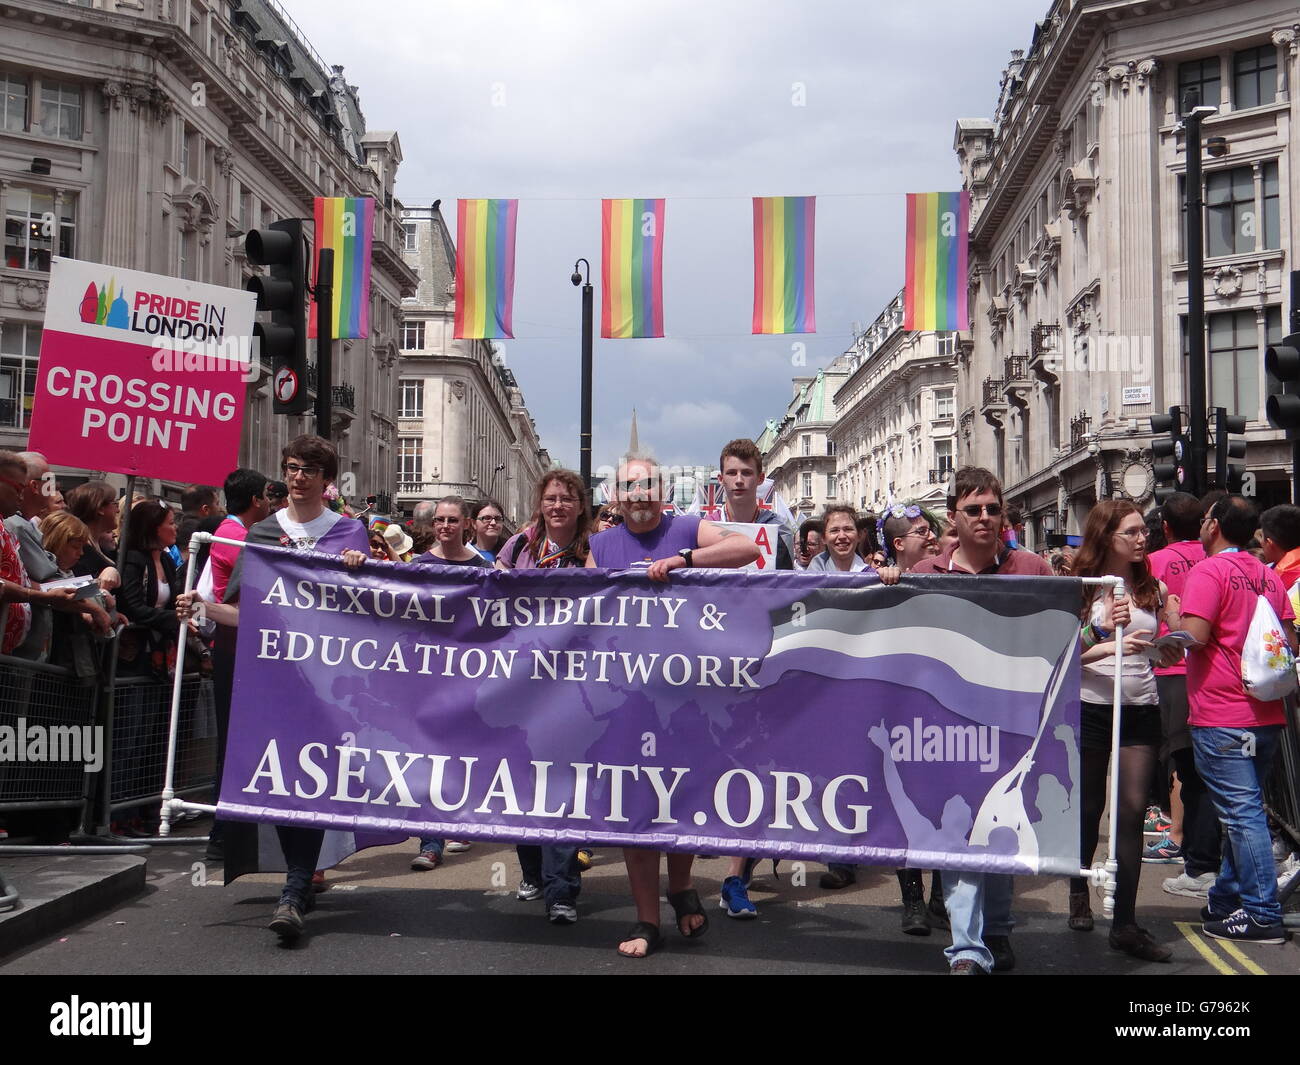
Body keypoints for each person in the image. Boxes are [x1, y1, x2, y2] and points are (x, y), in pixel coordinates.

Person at [178, 435, 371, 941]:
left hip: (327, 684)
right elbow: (244, 612)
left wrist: (360, 571)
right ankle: (296, 883)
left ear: (327, 480)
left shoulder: (350, 531)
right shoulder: (261, 532)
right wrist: (199, 610)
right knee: (287, 778)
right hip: (272, 679)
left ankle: (295, 886)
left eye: (309, 469)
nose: (299, 476)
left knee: (313, 776)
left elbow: (370, 610)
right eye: (291, 467)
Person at [586, 452, 760, 957]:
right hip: (626, 697)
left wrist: (684, 561)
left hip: (687, 695)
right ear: (616, 496)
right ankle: (646, 920)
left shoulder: (688, 526)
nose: (639, 497)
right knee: (634, 808)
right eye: (629, 489)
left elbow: (745, 548)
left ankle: (682, 886)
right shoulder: (600, 544)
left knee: (680, 797)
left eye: (648, 488)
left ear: (662, 492)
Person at [910, 467, 1053, 975]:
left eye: (993, 508)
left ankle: (997, 928)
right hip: (946, 726)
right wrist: (883, 584)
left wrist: (1110, 619)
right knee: (958, 830)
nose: (986, 518)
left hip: (1014, 724)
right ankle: (967, 949)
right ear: (954, 516)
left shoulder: (1033, 568)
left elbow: (1066, 633)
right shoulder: (926, 571)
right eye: (974, 509)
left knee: (1003, 828)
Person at [1178, 494, 1297, 945]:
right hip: (1266, 714)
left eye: (1207, 518)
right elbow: (1289, 644)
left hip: (1222, 712)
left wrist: (1172, 617)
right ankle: (1228, 900)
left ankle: (1263, 914)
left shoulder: (1208, 572)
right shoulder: (1268, 575)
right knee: (1242, 814)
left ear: (1213, 526)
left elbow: (1195, 635)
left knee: (1242, 817)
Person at [1066, 500, 1178, 962]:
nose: (1141, 539)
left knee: (1131, 812)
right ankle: (1078, 891)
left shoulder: (1152, 586)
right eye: (1130, 532)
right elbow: (1063, 653)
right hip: (1093, 706)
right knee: (1090, 805)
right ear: (1105, 536)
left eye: (1142, 532)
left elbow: (1158, 644)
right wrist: (1108, 640)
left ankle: (1126, 924)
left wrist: (1163, 651)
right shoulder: (1082, 587)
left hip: (1141, 707)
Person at [496, 470, 592, 924]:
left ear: (579, 506)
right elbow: (488, 601)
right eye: (551, 499)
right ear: (541, 503)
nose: (557, 506)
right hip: (521, 682)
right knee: (521, 782)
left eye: (566, 499)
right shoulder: (518, 548)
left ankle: (562, 890)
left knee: (560, 787)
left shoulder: (594, 548)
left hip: (573, 688)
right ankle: (532, 871)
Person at [708, 439, 794, 917]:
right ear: (721, 478)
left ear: (760, 478)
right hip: (709, 662)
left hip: (759, 660)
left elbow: (789, 591)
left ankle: (734, 878)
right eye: (731, 472)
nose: (739, 480)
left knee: (749, 765)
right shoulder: (704, 529)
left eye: (747, 472)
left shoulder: (778, 532)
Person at [408, 496, 492, 868]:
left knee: (461, 756)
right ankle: (430, 842)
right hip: (427, 676)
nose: (445, 526)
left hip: (468, 676)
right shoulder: (418, 565)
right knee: (430, 757)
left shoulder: (482, 568)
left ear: (466, 524)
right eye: (440, 520)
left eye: (452, 520)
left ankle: (462, 818)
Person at [195, 468, 270, 863]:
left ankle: (234, 832)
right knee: (234, 742)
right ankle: (223, 834)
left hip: (245, 644)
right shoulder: (235, 535)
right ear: (257, 500)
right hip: (236, 644)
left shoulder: (238, 532)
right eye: (268, 497)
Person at [1145, 493, 1218, 898]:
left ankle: (1189, 847)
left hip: (1170, 671)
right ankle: (1197, 849)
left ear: (1166, 527)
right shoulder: (1215, 561)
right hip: (1209, 674)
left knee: (1183, 763)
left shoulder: (1155, 562)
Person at [177, 484, 223, 554]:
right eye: (217, 504)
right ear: (206, 509)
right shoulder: (206, 534)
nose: (220, 508)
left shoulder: (177, 529)